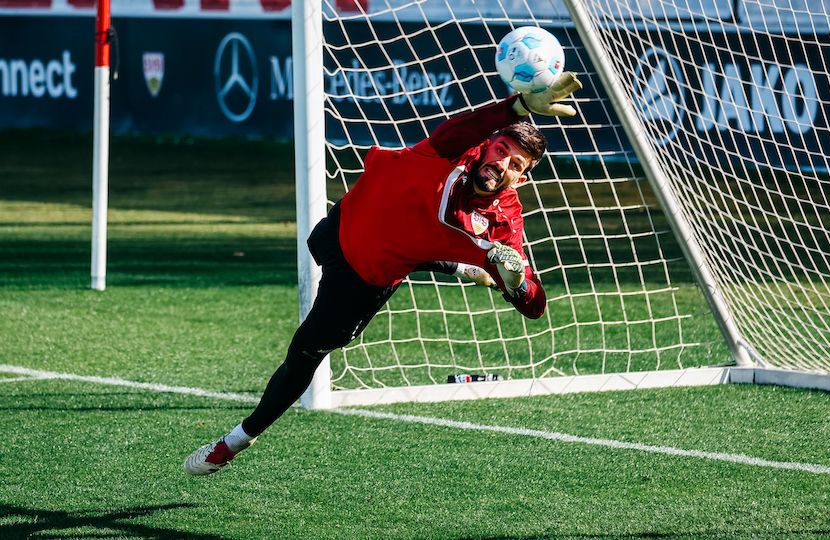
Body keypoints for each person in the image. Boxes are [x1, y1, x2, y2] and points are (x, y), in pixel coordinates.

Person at [183, 72, 582, 475]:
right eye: (500, 150)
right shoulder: (453, 150)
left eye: (515, 164)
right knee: (353, 240)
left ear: (523, 178)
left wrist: (516, 284)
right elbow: (472, 123)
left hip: (363, 280)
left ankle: (235, 440)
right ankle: (457, 263)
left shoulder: (502, 224)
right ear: (487, 146)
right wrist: (520, 105)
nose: (501, 164)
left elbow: (536, 305)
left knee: (304, 352)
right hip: (339, 227)